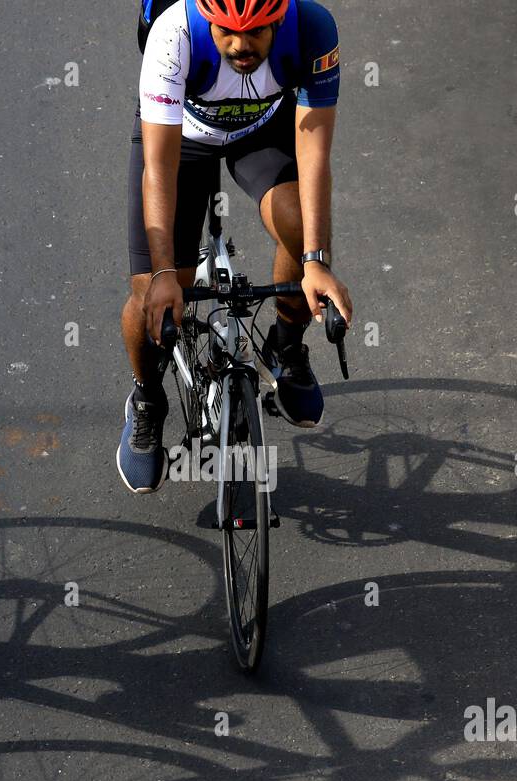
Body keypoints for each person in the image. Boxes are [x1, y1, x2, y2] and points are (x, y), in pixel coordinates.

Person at [118, 0, 353, 493]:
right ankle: (147, 400)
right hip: (181, 137)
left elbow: (315, 156)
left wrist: (316, 260)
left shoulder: (313, 27)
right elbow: (158, 171)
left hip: (261, 131)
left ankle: (287, 347)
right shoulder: (173, 34)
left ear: (279, 19)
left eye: (257, 32)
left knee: (300, 227)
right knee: (151, 298)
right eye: (227, 31)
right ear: (208, 20)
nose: (241, 45)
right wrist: (162, 274)